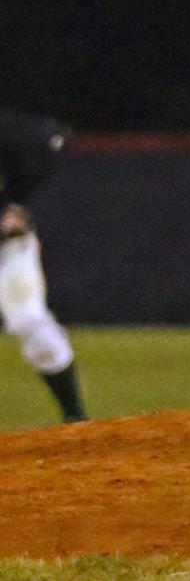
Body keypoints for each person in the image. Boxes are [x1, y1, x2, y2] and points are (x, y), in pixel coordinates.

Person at [0, 111, 87, 423]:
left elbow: (55, 138)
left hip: (7, 250)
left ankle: (75, 417)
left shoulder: (11, 133)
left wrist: (18, 205)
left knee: (27, 320)